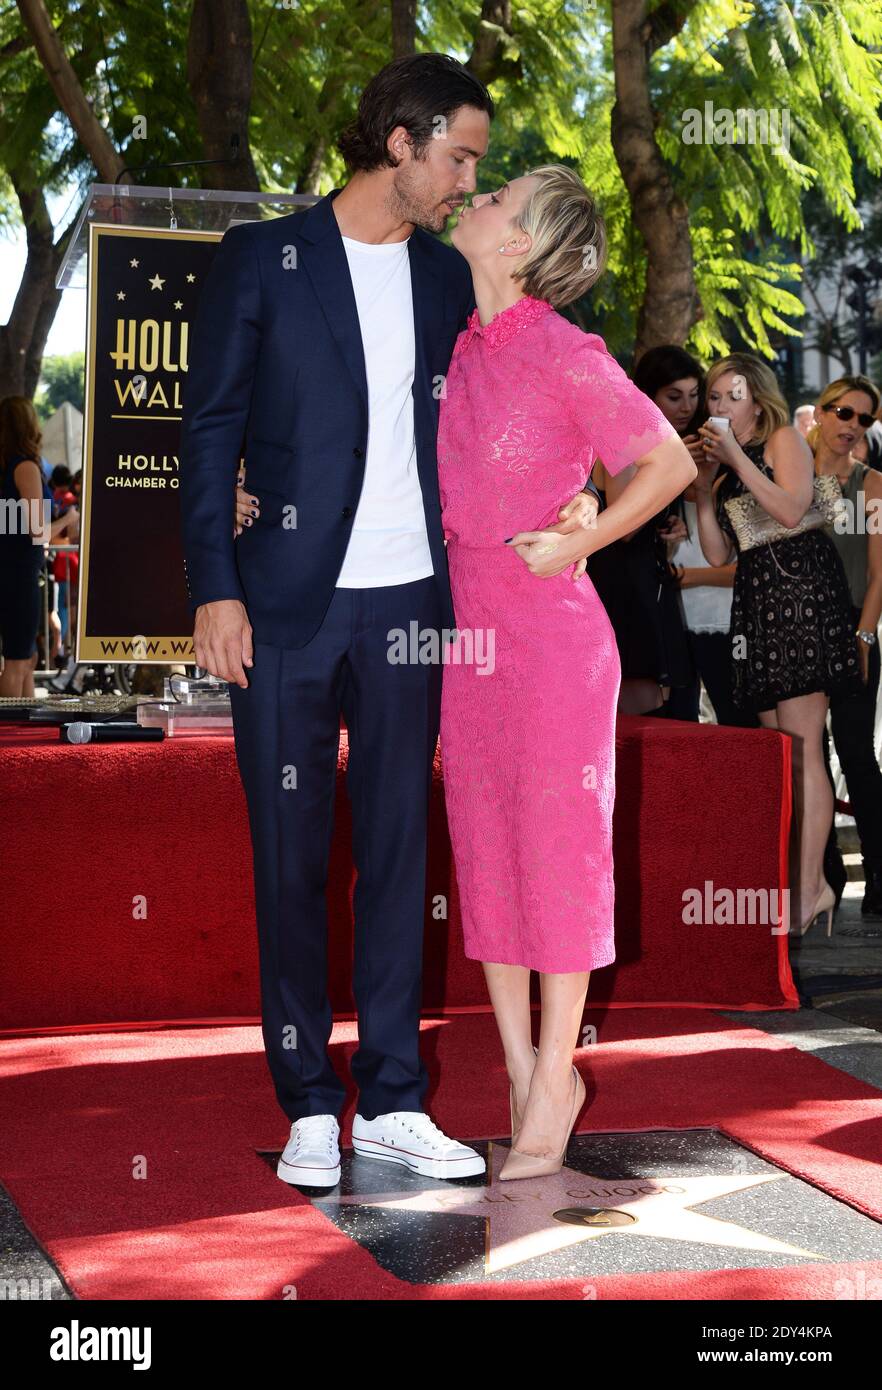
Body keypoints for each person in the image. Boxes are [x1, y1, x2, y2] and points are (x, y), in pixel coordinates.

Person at [181, 54, 597, 1190]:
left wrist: (582, 494)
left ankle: (397, 1096)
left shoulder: (447, 280)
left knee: (403, 851)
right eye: (459, 154)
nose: (470, 179)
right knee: (291, 853)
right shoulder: (261, 259)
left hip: (420, 606)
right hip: (281, 607)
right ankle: (310, 1097)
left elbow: (522, 395)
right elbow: (208, 431)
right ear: (401, 143)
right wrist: (214, 583)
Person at [436, 166, 695, 1179]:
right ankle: (519, 1068)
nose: (478, 198)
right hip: (469, 640)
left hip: (551, 645)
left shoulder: (562, 349)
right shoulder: (457, 345)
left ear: (520, 243)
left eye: (498, 198)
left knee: (557, 857)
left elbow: (667, 462)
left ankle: (557, 1076)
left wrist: (583, 539)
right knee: (488, 854)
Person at [693, 354, 864, 937]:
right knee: (781, 750)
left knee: (804, 744)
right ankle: (798, 879)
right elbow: (718, 555)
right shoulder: (723, 470)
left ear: (756, 397)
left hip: (801, 595)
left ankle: (812, 885)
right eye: (713, 398)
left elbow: (793, 509)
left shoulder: (784, 439)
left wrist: (735, 456)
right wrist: (699, 491)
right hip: (760, 601)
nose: (719, 408)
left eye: (730, 396)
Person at [808, 376, 882, 919]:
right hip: (795, 636)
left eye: (863, 418)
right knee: (805, 758)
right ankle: (823, 877)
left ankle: (878, 877)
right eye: (842, 412)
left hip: (854, 629)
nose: (851, 425)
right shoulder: (788, 478)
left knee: (857, 756)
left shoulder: (872, 485)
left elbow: (881, 573)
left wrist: (864, 634)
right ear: (820, 414)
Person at [587, 347, 695, 715]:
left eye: (694, 396)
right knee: (642, 705)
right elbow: (625, 524)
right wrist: (672, 476)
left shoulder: (636, 435)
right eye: (674, 396)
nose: (687, 407)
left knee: (659, 702)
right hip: (622, 584)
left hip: (640, 579)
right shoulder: (622, 433)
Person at [0, 397, 77, 697]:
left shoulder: (8, 468)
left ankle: (22, 731)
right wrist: (70, 517)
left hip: (12, 569)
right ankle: (9, 738)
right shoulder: (25, 468)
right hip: (19, 574)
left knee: (26, 659)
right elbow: (38, 531)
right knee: (19, 662)